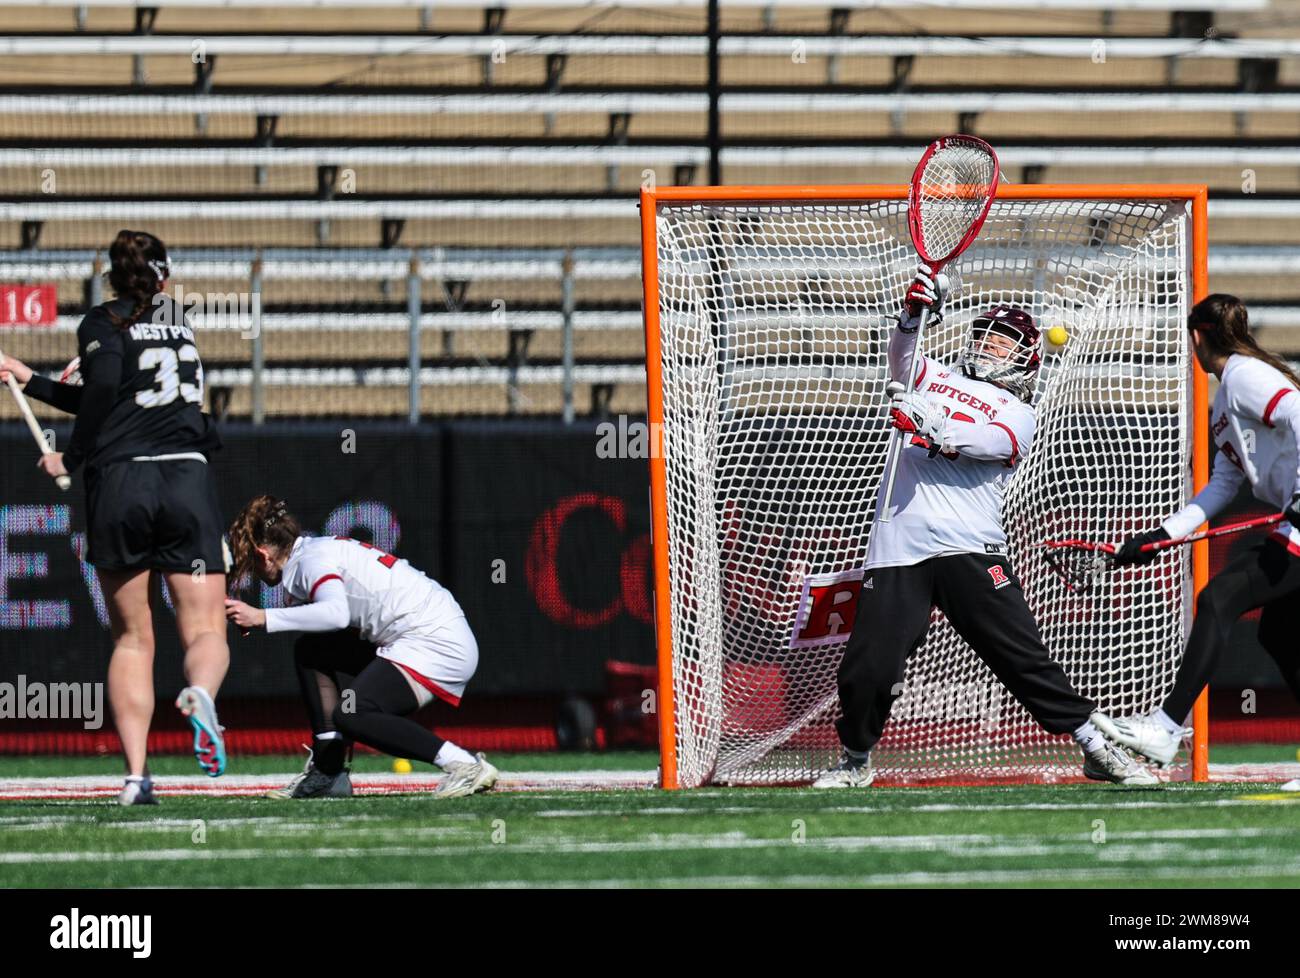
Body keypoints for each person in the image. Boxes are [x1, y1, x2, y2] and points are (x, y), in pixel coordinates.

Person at [813, 263, 1153, 788]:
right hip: (897, 545)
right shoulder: (938, 377)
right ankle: (856, 761)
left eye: (1004, 341)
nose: (991, 345)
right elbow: (900, 361)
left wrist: (933, 425)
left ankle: (1093, 746)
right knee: (868, 670)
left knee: (1021, 657)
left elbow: (993, 443)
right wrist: (913, 312)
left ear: (1026, 358)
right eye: (987, 336)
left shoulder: (1018, 409)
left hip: (969, 547)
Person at [0, 229, 228, 805]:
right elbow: (115, 392)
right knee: (203, 628)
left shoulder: (102, 322)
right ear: (163, 277)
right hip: (184, 477)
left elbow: (103, 393)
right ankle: (201, 693)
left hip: (122, 479)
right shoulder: (179, 319)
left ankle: (135, 776)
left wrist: (68, 455)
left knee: (133, 638)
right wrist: (32, 380)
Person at [1098, 295, 1300, 782]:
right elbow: (1224, 486)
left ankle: (1165, 728)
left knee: (1219, 599)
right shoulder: (1226, 394)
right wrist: (1159, 536)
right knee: (1279, 634)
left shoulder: (1245, 376)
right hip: (1291, 522)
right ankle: (1165, 729)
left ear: (1196, 337)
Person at [224, 494, 497, 798]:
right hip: (428, 631)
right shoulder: (313, 552)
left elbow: (336, 614)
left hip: (434, 641)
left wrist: (262, 617)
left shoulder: (309, 561)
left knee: (353, 714)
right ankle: (329, 770)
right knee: (312, 651)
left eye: (253, 564)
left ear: (263, 555)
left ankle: (464, 764)